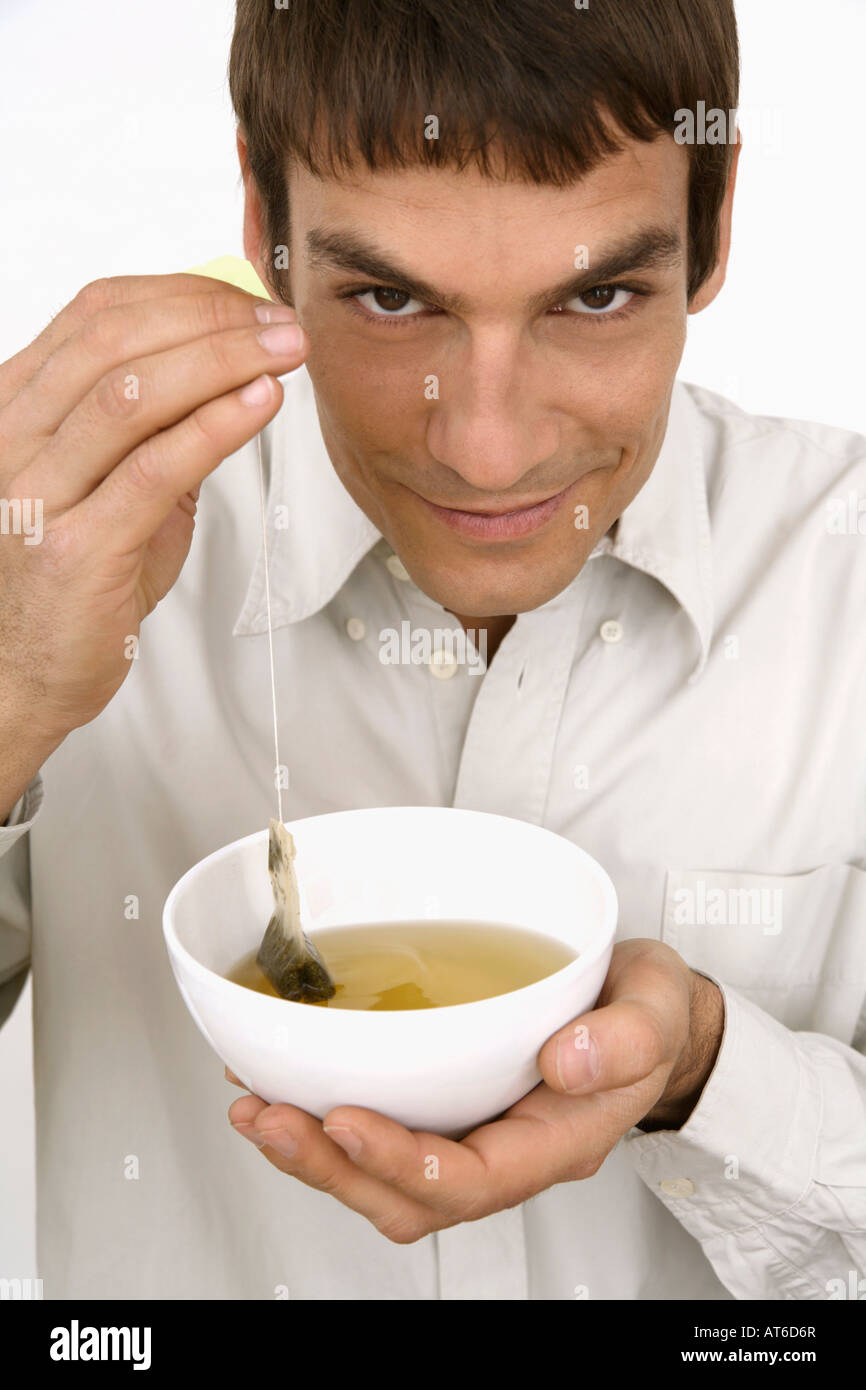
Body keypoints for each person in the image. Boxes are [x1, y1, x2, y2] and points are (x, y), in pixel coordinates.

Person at [0, 0, 863, 1301]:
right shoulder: (52, 562)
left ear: (715, 222)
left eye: (597, 295)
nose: (488, 450)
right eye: (391, 299)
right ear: (260, 214)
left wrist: (701, 1070)